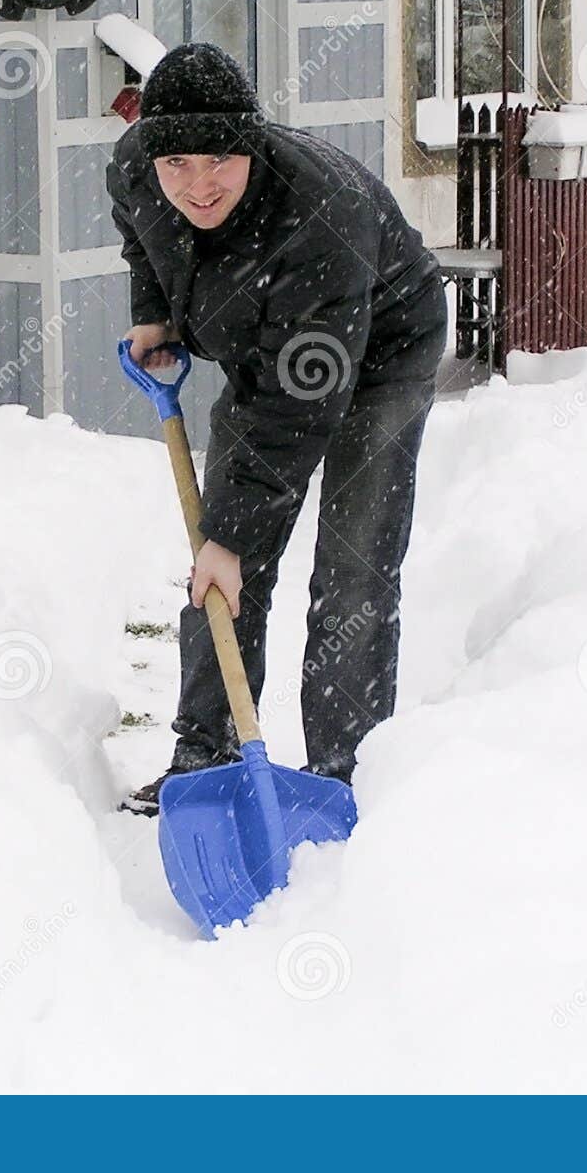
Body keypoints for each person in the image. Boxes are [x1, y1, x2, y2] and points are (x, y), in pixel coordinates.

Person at [107, 42, 447, 815]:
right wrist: (152, 313)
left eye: (220, 158)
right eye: (178, 164)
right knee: (220, 562)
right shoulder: (136, 168)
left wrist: (232, 529)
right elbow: (141, 233)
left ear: (251, 143)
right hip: (275, 346)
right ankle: (206, 754)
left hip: (384, 351)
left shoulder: (320, 217)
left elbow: (299, 410)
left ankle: (339, 778)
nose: (198, 185)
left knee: (352, 564)